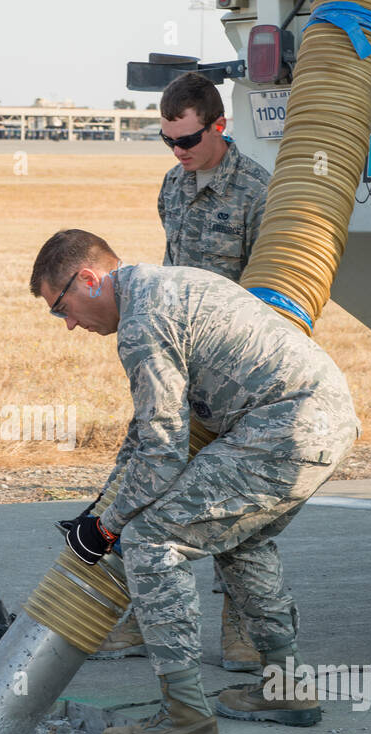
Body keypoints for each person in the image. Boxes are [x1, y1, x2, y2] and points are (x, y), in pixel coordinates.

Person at [31, 230, 359, 734]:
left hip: (283, 429)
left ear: (88, 280)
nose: (69, 324)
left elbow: (161, 452)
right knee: (239, 541)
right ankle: (286, 688)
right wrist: (98, 511)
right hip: (323, 423)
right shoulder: (168, 286)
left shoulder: (140, 323)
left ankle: (184, 719)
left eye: (61, 308)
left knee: (152, 541)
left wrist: (111, 525)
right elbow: (147, 433)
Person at [94, 71, 273, 673]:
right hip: (177, 367)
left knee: (235, 502)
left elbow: (268, 296)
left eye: (187, 140)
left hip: (236, 374)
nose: (177, 153)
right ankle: (145, 617)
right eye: (167, 140)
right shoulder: (173, 185)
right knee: (145, 478)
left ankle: (244, 628)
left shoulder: (256, 192)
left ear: (218, 127)